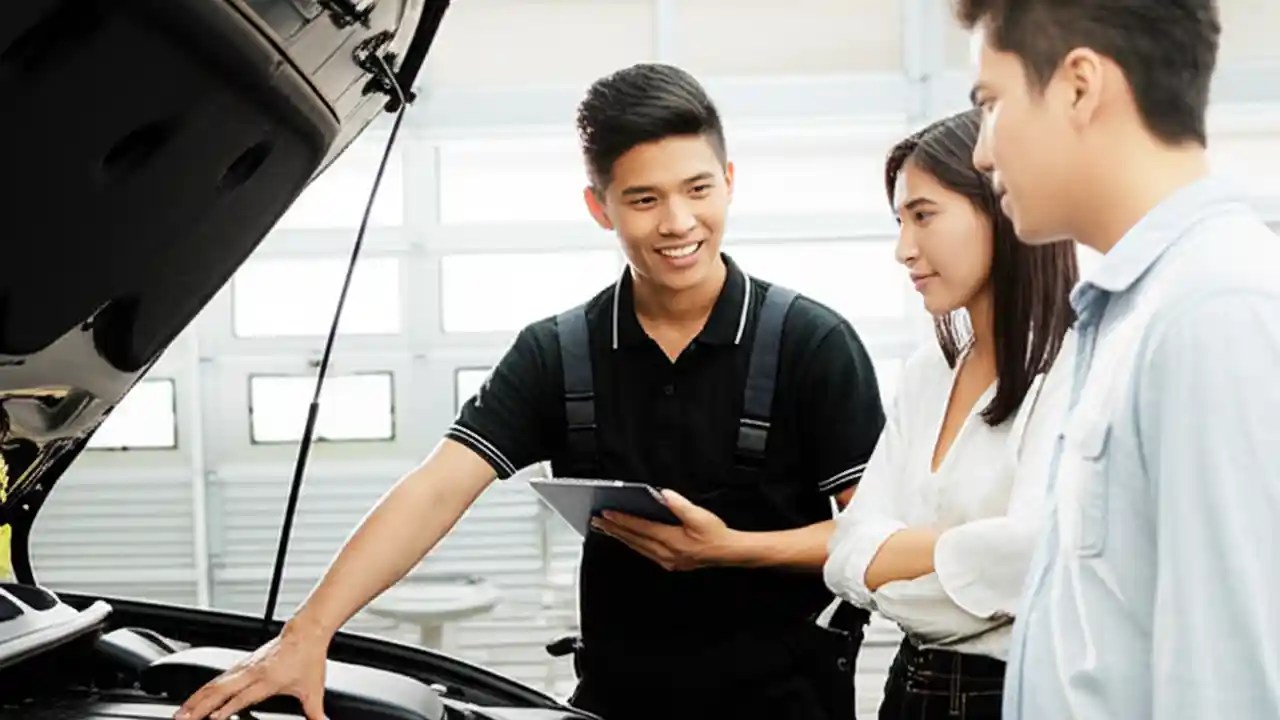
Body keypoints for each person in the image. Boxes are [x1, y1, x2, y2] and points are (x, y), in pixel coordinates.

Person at [175, 62, 885, 720]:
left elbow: (879, 535)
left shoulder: (811, 342)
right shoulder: (557, 353)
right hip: (615, 700)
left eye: (698, 189)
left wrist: (728, 549)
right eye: (644, 198)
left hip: (787, 702)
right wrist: (308, 633)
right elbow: (437, 487)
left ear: (729, 179)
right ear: (599, 207)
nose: (677, 222)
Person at [954, 1, 1280, 718]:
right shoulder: (1138, 308)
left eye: (991, 103)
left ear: (1078, 85)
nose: (981, 152)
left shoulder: (1211, 311)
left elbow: (1229, 684)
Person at [822, 108, 1077, 720]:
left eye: (923, 215)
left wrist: (900, 557)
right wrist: (966, 566)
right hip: (909, 687)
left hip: (1016, 692)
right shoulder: (926, 373)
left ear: (1000, 205)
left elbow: (1036, 554)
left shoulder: (1075, 367)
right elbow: (846, 552)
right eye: (900, 221)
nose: (903, 250)